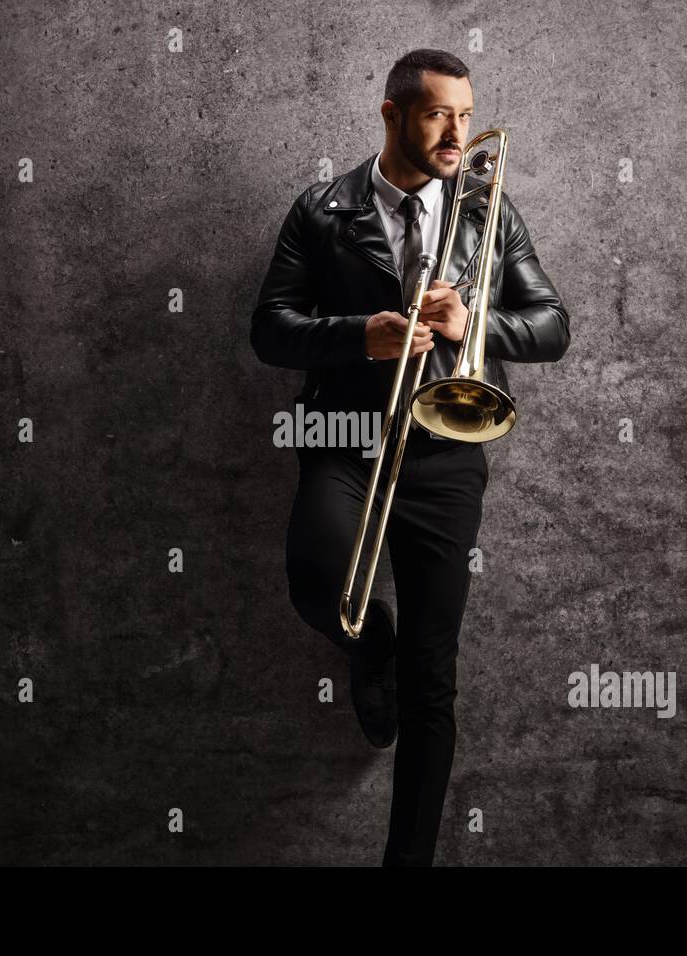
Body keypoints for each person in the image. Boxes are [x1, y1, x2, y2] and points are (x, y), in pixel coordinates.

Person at [250, 48, 571, 866]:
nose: (458, 133)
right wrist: (359, 335)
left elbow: (553, 326)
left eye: (466, 114)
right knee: (319, 585)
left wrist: (476, 327)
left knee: (435, 676)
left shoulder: (486, 207)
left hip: (449, 445)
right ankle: (368, 645)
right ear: (392, 115)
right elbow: (270, 328)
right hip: (345, 440)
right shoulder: (323, 209)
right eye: (438, 115)